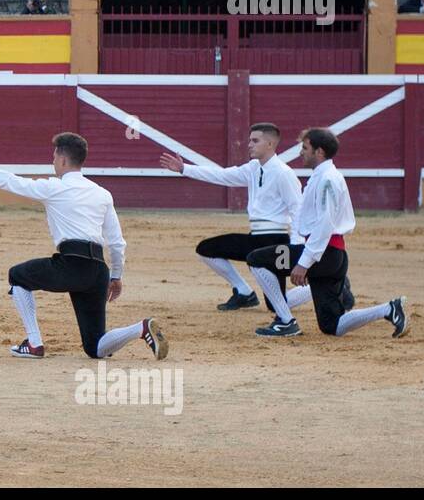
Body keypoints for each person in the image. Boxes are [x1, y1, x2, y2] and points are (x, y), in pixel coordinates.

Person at [0, 134, 168, 361]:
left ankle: (34, 343)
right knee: (95, 347)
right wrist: (116, 275)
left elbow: (10, 181)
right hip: (98, 271)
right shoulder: (103, 194)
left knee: (17, 275)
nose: (53, 162)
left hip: (70, 264)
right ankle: (141, 328)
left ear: (62, 160)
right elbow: (117, 242)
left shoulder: (54, 188)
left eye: (54, 156)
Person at [247, 127, 409, 340]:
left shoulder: (326, 180)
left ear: (319, 152)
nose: (300, 152)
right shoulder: (323, 176)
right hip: (331, 256)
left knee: (257, 259)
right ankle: (389, 309)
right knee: (332, 326)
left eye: (305, 148)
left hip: (322, 254)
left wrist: (304, 263)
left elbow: (325, 223)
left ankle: (285, 321)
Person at [158, 123, 331, 313]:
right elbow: (222, 175)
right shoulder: (253, 168)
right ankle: (243, 292)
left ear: (270, 144)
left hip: (276, 241)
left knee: (277, 305)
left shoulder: (283, 173)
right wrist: (185, 169)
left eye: (255, 141)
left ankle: (322, 286)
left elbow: (298, 210)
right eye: (249, 140)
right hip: (255, 237)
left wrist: (297, 246)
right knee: (206, 249)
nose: (249, 144)